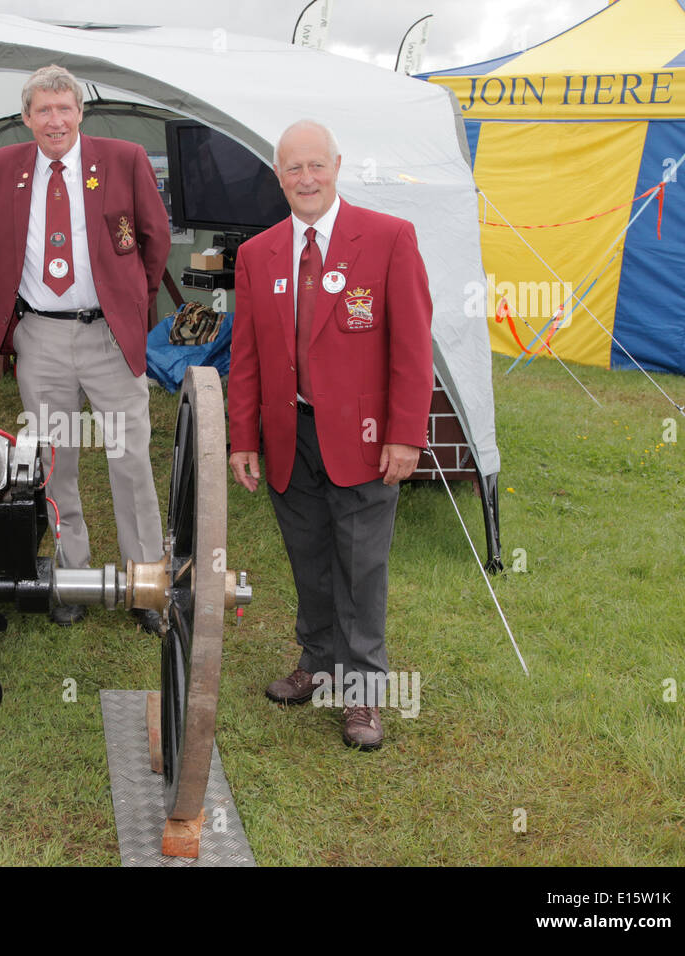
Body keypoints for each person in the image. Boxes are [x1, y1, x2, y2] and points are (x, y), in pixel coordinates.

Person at [0, 65, 169, 633]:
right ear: (27, 117)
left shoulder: (125, 159)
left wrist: (130, 306)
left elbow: (154, 244)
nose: (55, 119)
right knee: (54, 460)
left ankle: (145, 583)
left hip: (108, 334)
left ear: (80, 112)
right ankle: (71, 577)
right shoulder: (2, 166)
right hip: (40, 335)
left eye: (65, 108)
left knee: (130, 458)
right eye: (44, 110)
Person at [226, 119, 433, 751]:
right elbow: (247, 358)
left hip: (368, 441)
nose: (306, 178)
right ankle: (318, 662)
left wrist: (405, 434)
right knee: (310, 561)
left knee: (361, 567)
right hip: (291, 436)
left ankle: (365, 692)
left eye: (316, 165)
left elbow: (412, 347)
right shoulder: (256, 254)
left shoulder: (389, 238)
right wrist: (244, 439)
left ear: (338, 166)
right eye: (293, 168)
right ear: (278, 176)